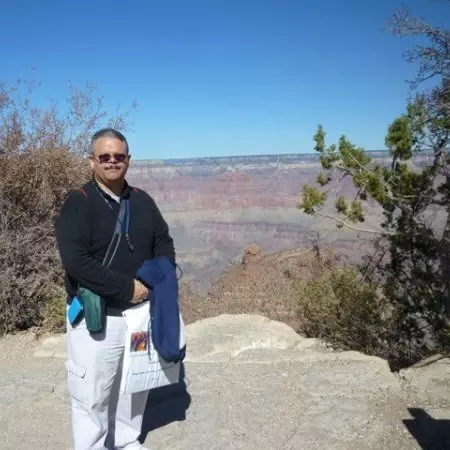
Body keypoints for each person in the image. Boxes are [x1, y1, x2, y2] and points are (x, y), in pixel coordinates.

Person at [55, 128, 176, 450]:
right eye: (104, 156)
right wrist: (127, 288)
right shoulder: (78, 203)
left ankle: (127, 441)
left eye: (118, 156)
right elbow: (76, 261)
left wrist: (153, 281)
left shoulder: (142, 200)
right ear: (92, 161)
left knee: (134, 385)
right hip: (99, 317)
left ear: (128, 160)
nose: (112, 162)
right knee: (92, 393)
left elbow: (163, 243)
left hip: (139, 316)